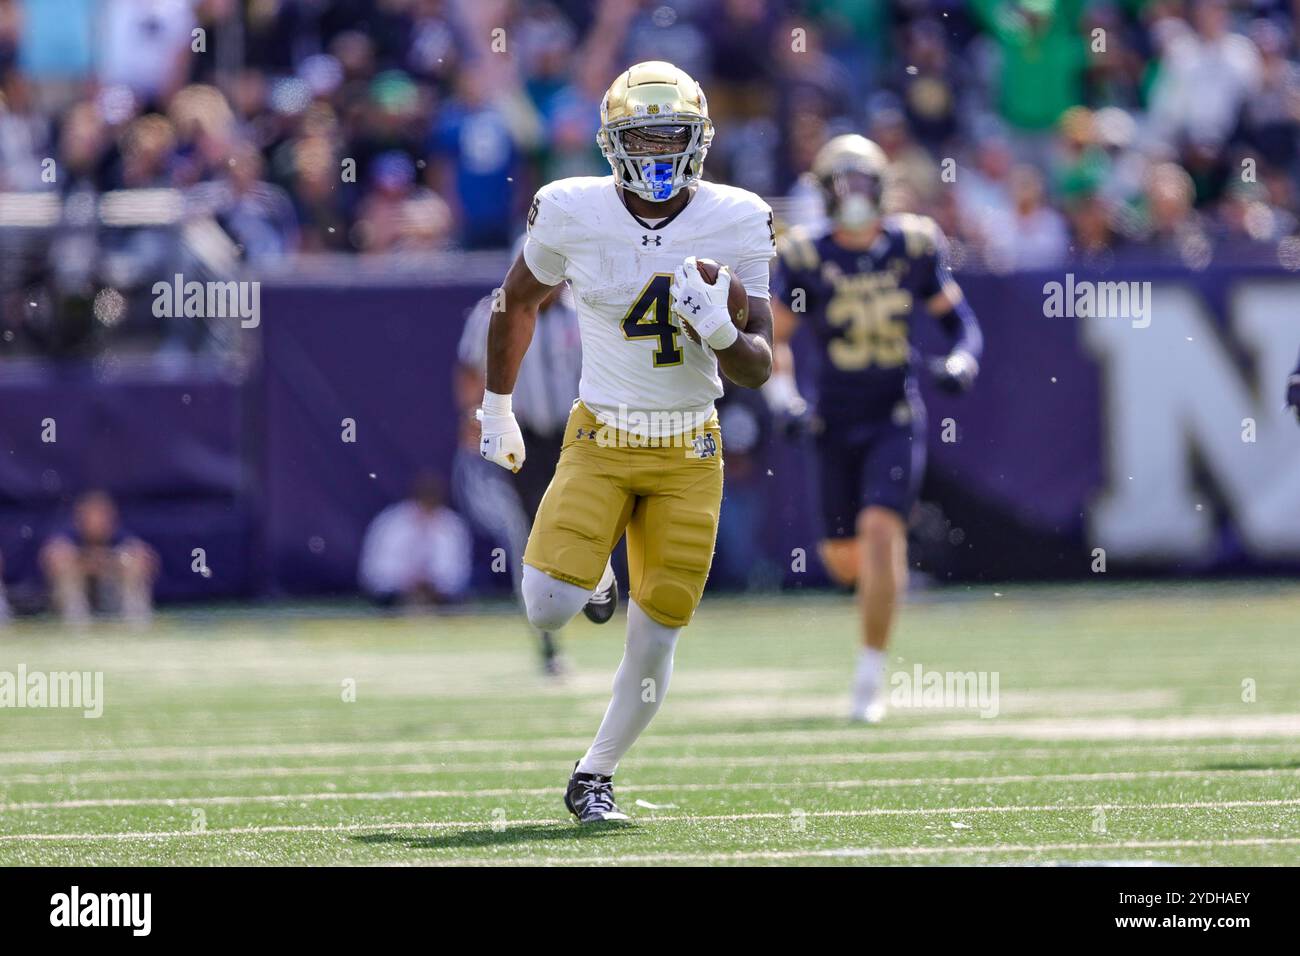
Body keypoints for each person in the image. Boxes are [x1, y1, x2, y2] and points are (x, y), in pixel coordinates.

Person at [475, 61, 776, 822]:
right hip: (602, 433)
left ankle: (595, 773)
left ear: (699, 139)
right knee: (547, 606)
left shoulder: (739, 218)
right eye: (641, 134)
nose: (657, 148)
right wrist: (496, 407)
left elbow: (761, 365)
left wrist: (721, 329)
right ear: (611, 141)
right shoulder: (572, 209)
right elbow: (516, 300)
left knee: (657, 635)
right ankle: (595, 582)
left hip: (689, 449)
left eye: (671, 133)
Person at [768, 134, 983, 723]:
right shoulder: (804, 254)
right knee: (844, 559)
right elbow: (776, 345)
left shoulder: (912, 245)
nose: (855, 195)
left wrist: (963, 362)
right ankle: (883, 583)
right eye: (843, 184)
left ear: (882, 187)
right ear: (825, 192)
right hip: (832, 419)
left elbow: (962, 324)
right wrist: (783, 398)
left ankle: (869, 676)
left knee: (881, 529)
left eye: (864, 183)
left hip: (894, 412)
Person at [453, 258, 583, 675]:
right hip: (514, 443)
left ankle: (589, 592)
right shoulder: (493, 312)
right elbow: (472, 374)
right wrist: (476, 418)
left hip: (565, 441)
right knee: (522, 538)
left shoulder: (580, 313)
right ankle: (547, 641)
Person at [39, 490, 157, 627]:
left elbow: (146, 558)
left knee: (135, 562)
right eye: (91, 516)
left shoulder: (120, 537)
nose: (97, 522)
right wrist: (86, 562)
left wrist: (108, 562)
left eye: (102, 516)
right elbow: (51, 556)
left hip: (112, 594)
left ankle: (136, 622)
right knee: (62, 562)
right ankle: (75, 625)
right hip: (78, 598)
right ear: (80, 518)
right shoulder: (68, 535)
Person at [358, 473, 472, 608]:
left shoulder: (452, 525)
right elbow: (375, 570)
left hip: (437, 597)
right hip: (394, 596)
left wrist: (432, 583)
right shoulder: (391, 522)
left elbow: (456, 572)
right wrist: (406, 582)